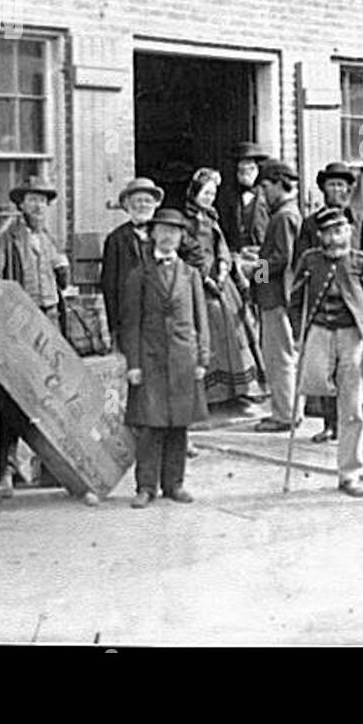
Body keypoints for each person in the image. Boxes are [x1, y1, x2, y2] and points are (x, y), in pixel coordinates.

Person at [0, 174, 72, 500]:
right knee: (13, 397)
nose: (38, 206)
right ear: (21, 204)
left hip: (50, 323)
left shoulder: (48, 238)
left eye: (43, 201)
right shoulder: (8, 236)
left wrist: (63, 272)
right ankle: (5, 471)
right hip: (20, 326)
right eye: (32, 200)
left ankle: (51, 467)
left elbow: (61, 276)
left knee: (50, 396)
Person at [290, 207, 363, 498]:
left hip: (352, 336)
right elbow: (294, 299)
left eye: (339, 231)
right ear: (320, 235)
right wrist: (300, 334)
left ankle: (350, 474)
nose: (334, 238)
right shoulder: (310, 260)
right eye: (328, 232)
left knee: (353, 407)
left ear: (348, 231)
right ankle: (323, 423)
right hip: (319, 332)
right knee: (313, 384)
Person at [120, 208, 211, 508]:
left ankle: (175, 483)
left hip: (184, 359)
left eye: (175, 231)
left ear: (182, 237)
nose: (169, 236)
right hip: (150, 358)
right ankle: (146, 486)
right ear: (153, 234)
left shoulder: (191, 274)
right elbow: (130, 322)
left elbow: (201, 318)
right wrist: (133, 363)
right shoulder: (139, 274)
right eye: (163, 230)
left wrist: (202, 358)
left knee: (178, 425)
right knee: (150, 425)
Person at [296, 161, 363, 444]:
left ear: (349, 190)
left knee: (350, 377)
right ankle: (328, 424)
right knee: (323, 375)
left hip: (353, 305)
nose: (337, 190)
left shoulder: (362, 220)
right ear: (322, 189)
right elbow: (296, 262)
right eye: (331, 185)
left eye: (342, 186)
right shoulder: (310, 223)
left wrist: (354, 265)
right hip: (320, 311)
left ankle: (349, 428)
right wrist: (259, 283)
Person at [183, 167, 262, 410]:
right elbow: (191, 252)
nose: (210, 197)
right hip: (203, 280)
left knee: (238, 327)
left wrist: (225, 266)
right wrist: (208, 277)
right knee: (213, 326)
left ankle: (241, 390)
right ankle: (215, 393)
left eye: (213, 193)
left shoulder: (215, 216)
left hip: (235, 275)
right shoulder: (188, 219)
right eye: (206, 193)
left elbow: (225, 246)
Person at [252, 159, 303, 432]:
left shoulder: (283, 217)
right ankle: (291, 411)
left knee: (278, 357)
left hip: (277, 297)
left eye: (266, 186)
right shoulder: (288, 213)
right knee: (285, 355)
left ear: (277, 184)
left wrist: (254, 270)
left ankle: (285, 415)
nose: (263, 193)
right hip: (280, 295)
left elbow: (281, 258)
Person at [100, 176, 163, 347]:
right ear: (128, 205)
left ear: (155, 205)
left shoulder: (164, 235)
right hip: (130, 317)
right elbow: (109, 285)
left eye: (148, 201)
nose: (143, 205)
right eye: (138, 201)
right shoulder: (116, 239)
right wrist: (114, 326)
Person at [222, 141, 271, 254]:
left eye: (250, 169)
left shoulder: (267, 195)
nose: (246, 174)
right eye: (242, 171)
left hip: (261, 255)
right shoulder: (229, 197)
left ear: (257, 171)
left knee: (261, 272)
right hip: (237, 254)